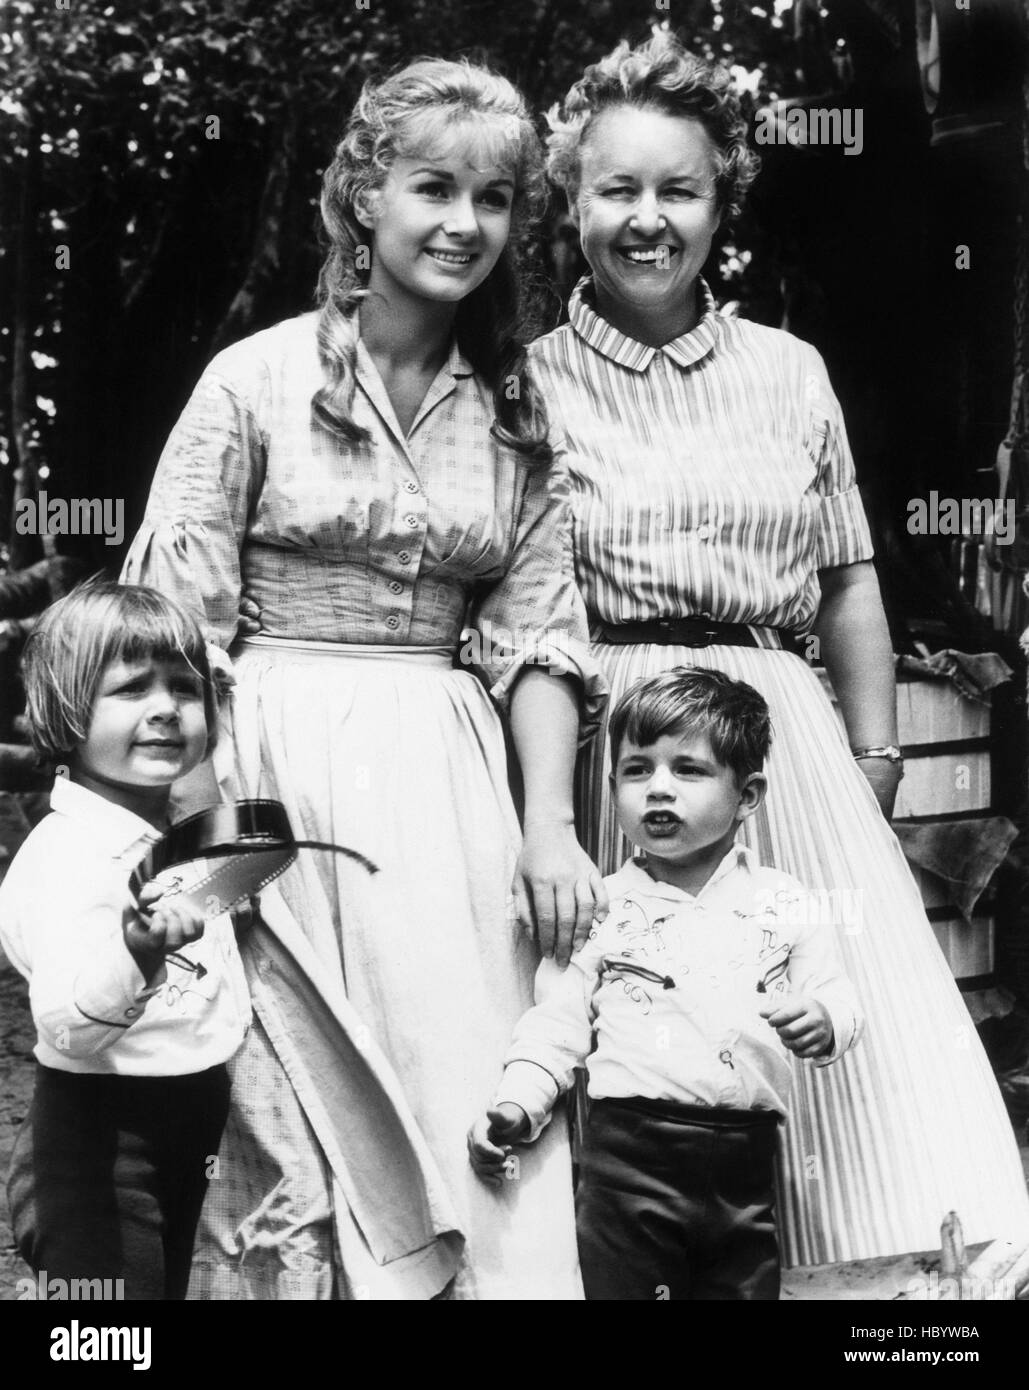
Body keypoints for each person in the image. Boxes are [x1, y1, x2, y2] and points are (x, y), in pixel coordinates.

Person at [529, 32, 1029, 1266]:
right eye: (617, 190)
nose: (648, 220)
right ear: (572, 204)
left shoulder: (791, 372)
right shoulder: (525, 383)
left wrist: (873, 754)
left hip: (782, 744)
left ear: (720, 204)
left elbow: (849, 575)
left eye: (679, 190)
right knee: (627, 1033)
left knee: (831, 1027)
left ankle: (855, 1288)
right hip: (617, 743)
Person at [123, 58, 606, 1299]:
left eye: (494, 199)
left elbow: (540, 636)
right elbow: (174, 634)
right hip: (273, 769)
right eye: (432, 186)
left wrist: (548, 828)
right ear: (361, 197)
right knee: (286, 1118)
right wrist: (210, 828)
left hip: (445, 789)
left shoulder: (517, 411)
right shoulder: (255, 379)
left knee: (468, 1096)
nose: (463, 223)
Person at [470, 668, 862, 1299]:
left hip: (744, 1161)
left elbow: (840, 996)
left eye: (688, 770)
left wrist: (823, 1017)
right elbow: (557, 1023)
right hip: (629, 1158)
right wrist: (520, 1100)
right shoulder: (602, 906)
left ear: (748, 795)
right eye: (636, 770)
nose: (657, 789)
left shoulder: (784, 901)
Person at [0, 581, 250, 1300]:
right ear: (67, 708)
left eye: (184, 689)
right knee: (103, 1337)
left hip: (187, 1124)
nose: (166, 708)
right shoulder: (73, 857)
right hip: (97, 1151)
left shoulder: (166, 833)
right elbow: (66, 1025)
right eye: (132, 688)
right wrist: (134, 954)